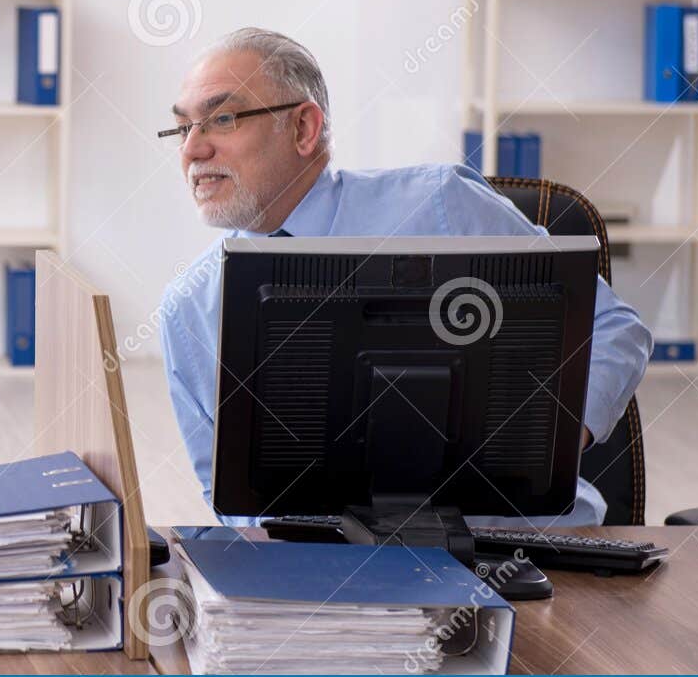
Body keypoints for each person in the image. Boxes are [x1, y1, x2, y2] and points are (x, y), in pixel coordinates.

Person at [157, 27, 652, 526]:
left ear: (304, 129)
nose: (192, 151)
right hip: (325, 582)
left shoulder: (440, 206)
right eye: (183, 129)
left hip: (520, 555)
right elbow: (234, 509)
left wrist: (551, 442)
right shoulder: (188, 309)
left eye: (221, 119)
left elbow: (616, 329)